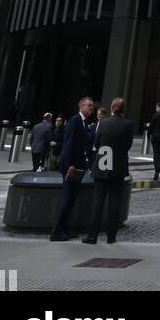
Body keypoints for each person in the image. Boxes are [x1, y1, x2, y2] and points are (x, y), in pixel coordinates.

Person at [82, 98, 134, 246]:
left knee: (98, 202)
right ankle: (111, 236)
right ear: (123, 109)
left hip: (102, 164)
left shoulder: (103, 122)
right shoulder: (128, 124)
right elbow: (128, 145)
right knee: (115, 202)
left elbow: (97, 143)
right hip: (117, 167)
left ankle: (92, 236)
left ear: (112, 107)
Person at [50, 96, 95, 241]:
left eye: (92, 106)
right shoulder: (74, 121)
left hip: (78, 166)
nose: (91, 108)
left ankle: (64, 228)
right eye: (89, 106)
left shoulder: (83, 122)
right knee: (67, 198)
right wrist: (69, 165)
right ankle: (56, 232)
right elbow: (68, 144)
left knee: (71, 199)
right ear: (81, 106)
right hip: (71, 166)